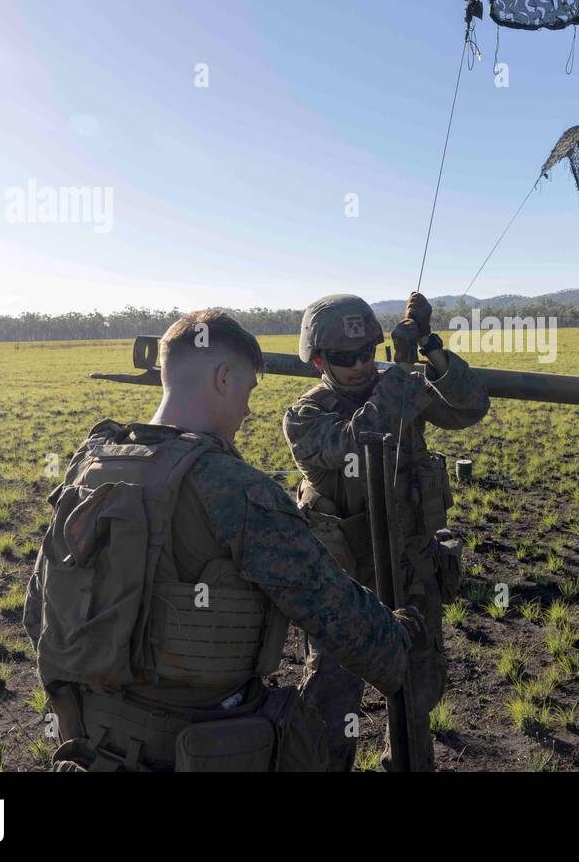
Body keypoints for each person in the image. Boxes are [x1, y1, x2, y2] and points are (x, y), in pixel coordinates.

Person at [23, 309, 423, 772]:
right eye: (248, 391)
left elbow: (40, 612)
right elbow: (337, 612)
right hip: (204, 747)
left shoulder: (92, 464)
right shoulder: (234, 487)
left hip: (94, 745)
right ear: (224, 376)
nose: (248, 411)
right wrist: (399, 640)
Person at [284, 291, 489, 771]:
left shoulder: (397, 386)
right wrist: (397, 371)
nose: (359, 365)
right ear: (317, 360)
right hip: (344, 587)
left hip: (411, 572)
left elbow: (470, 408)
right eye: (343, 357)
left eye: (366, 353)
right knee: (332, 704)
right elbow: (364, 441)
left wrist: (431, 349)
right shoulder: (306, 416)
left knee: (418, 694)